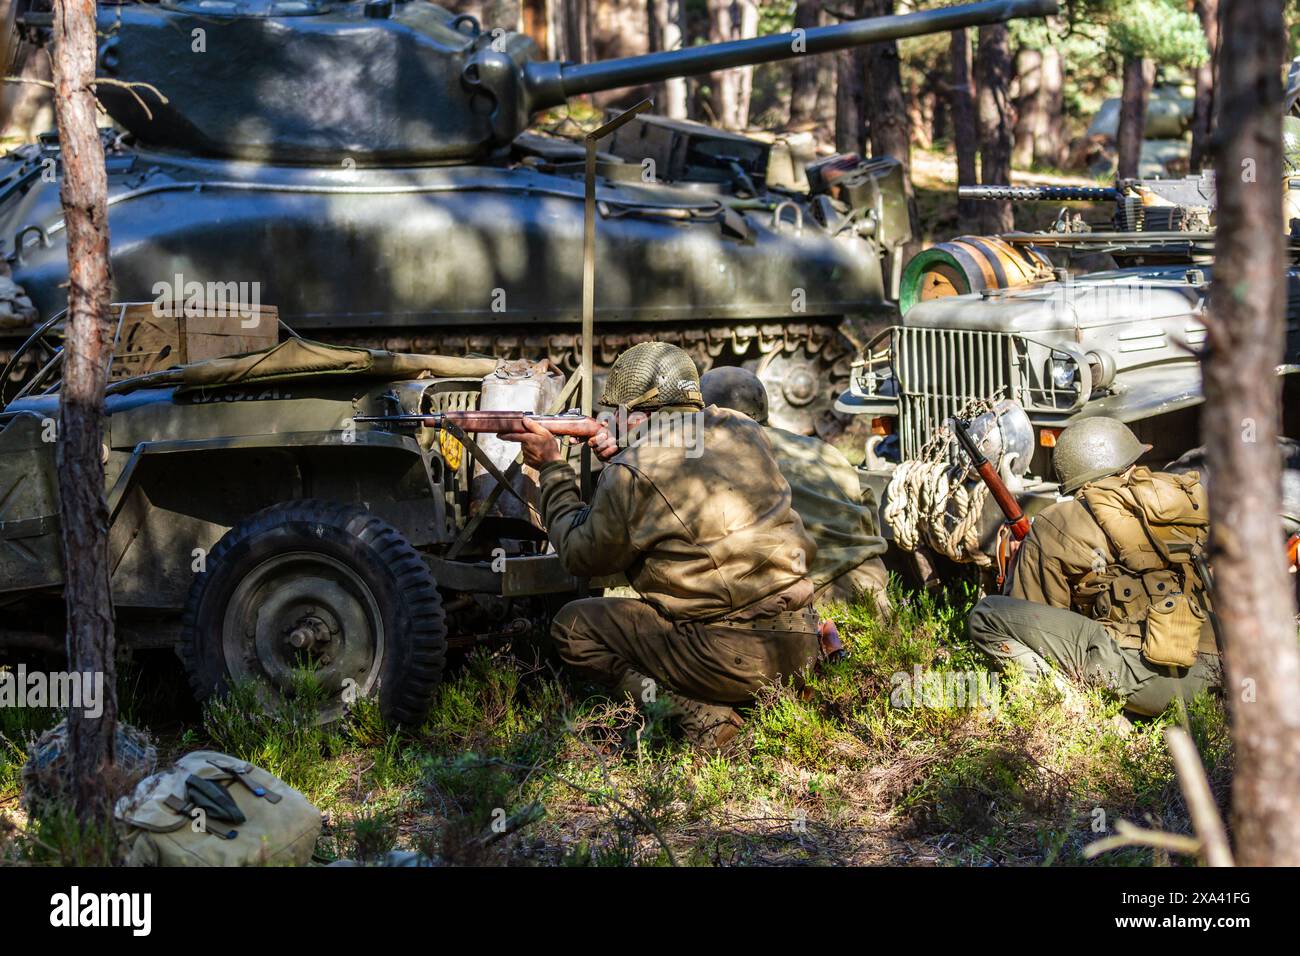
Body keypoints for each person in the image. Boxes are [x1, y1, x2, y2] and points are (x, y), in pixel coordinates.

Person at [499, 342, 821, 750]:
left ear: (635, 414)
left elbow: (581, 555)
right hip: (803, 642)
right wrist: (626, 459)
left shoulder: (634, 470)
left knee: (574, 626)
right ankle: (759, 702)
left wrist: (552, 468)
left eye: (616, 412)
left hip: (731, 657)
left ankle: (701, 719)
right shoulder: (743, 428)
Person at [968, 417, 1221, 716]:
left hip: (1151, 683)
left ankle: (1073, 712)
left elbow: (1033, 620)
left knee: (987, 617)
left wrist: (1023, 561)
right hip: (1224, 673)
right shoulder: (1188, 497)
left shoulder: (1058, 521)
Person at [700, 366, 889, 614]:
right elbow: (865, 500)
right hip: (870, 586)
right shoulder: (819, 449)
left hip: (811, 600)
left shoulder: (721, 462)